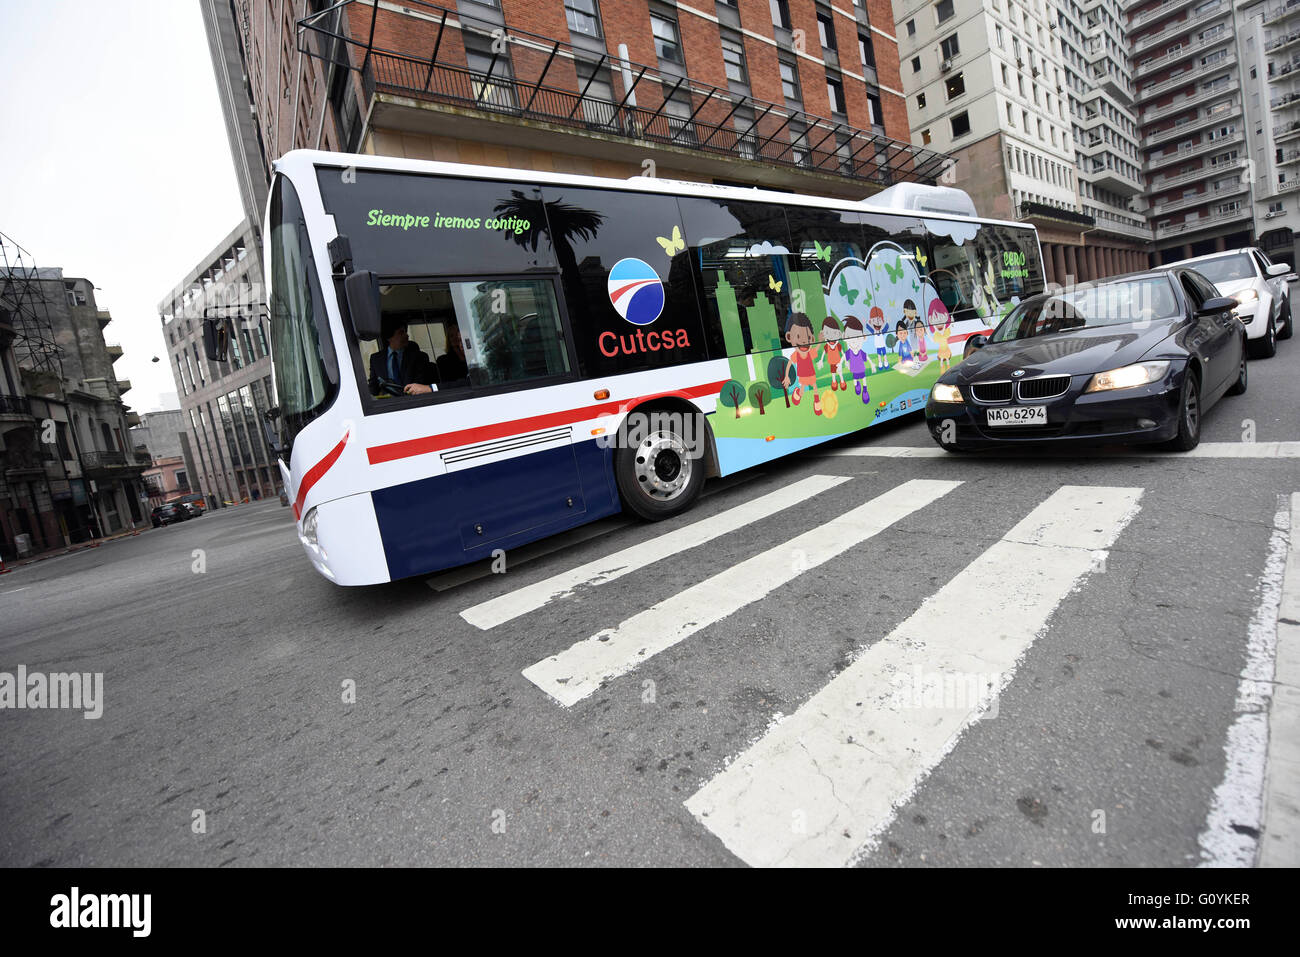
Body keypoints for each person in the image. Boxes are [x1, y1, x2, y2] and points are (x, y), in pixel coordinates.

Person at [368, 318, 437, 396]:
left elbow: (421, 383)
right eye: (401, 333)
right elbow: (373, 387)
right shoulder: (376, 359)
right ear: (389, 337)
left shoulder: (419, 357)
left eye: (405, 332)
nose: (407, 335)